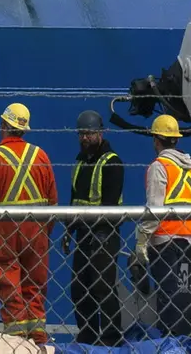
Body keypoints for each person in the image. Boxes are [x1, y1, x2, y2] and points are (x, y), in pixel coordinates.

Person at [0, 102, 57, 342]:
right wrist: (45, 232)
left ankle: (17, 340)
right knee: (35, 282)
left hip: (4, 230)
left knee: (8, 281)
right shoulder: (40, 155)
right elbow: (53, 200)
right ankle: (39, 338)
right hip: (37, 228)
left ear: (4, 126)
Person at [135, 113, 191, 338]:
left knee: (167, 295)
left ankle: (169, 342)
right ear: (176, 139)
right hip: (188, 241)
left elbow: (155, 209)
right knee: (183, 294)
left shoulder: (159, 166)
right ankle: (184, 341)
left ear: (157, 140)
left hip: (163, 241)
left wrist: (141, 241)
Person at [66, 110, 125, 345]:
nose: (84, 138)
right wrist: (69, 230)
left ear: (100, 133)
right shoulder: (80, 162)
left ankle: (111, 336)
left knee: (103, 286)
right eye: (81, 134)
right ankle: (88, 334)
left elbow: (110, 204)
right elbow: (74, 199)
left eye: (89, 134)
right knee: (79, 287)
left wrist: (97, 230)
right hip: (83, 232)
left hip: (104, 233)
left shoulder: (112, 162)